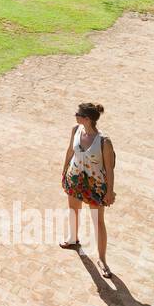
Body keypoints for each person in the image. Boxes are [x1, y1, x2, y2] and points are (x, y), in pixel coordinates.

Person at [58, 102, 116, 277]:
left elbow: (109, 169)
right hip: (74, 179)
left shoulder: (104, 142)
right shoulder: (75, 130)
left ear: (87, 119)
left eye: (78, 114)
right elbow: (70, 151)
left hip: (95, 185)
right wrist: (64, 171)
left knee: (98, 221)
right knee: (73, 210)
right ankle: (73, 239)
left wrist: (109, 192)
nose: (75, 115)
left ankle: (102, 260)